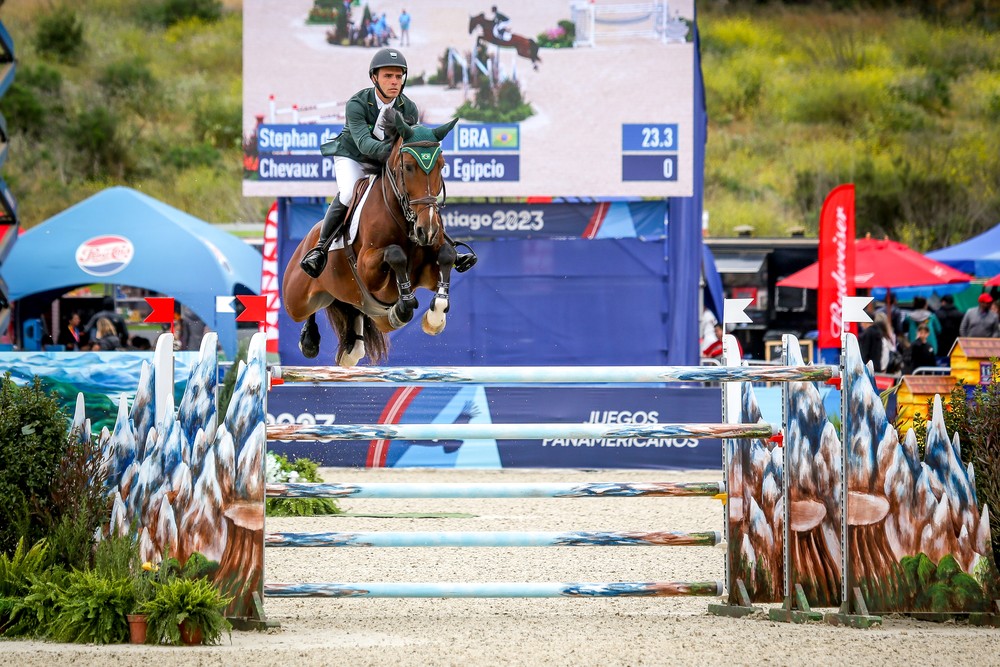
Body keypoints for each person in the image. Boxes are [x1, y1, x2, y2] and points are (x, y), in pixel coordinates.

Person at [301, 48, 477, 279]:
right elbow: (364, 144)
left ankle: (446, 245)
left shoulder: (408, 108)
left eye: (398, 76)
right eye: (388, 76)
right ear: (374, 77)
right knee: (347, 193)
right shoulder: (357, 103)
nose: (394, 81)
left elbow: (410, 143)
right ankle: (320, 248)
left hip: (389, 160)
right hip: (354, 157)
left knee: (414, 194)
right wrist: (397, 156)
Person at [934, 294, 963, 359]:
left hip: (941, 344)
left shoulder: (937, 314)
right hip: (955, 343)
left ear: (944, 302)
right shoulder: (960, 314)